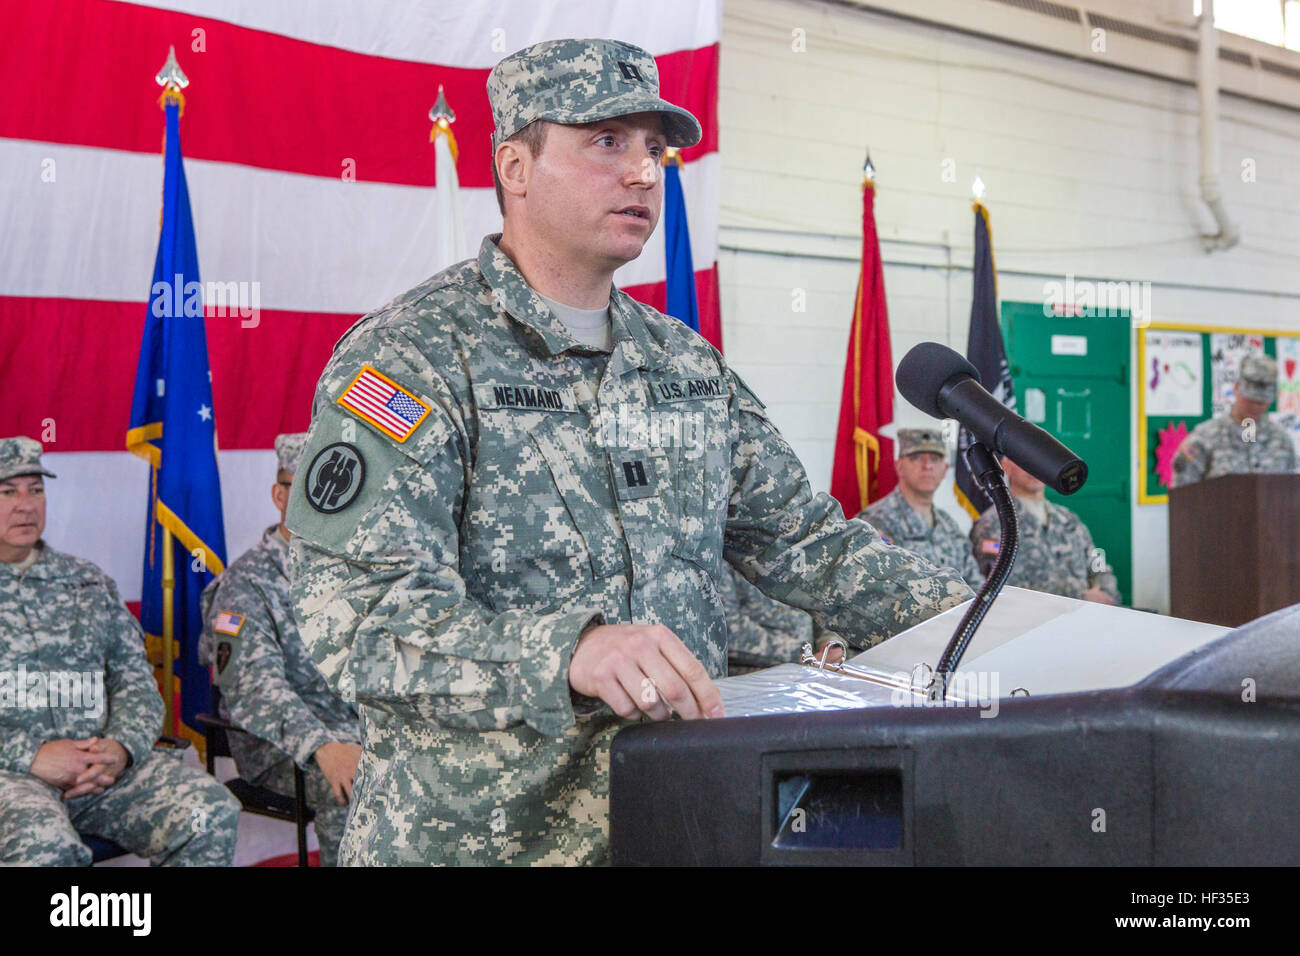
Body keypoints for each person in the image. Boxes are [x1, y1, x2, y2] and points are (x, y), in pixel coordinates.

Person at [286, 38, 972, 866]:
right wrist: (569, 652)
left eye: (653, 147)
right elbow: (353, 618)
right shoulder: (411, 358)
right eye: (607, 142)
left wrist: (997, 623)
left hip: (674, 825)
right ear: (516, 166)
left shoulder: (683, 366)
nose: (645, 173)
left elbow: (809, 544)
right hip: (476, 845)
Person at [0, 436, 239, 866]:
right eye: (7, 491)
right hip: (11, 776)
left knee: (210, 810)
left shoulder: (88, 582)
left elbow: (134, 680)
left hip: (103, 770)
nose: (25, 505)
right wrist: (31, 755)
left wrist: (120, 748)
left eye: (35, 489)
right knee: (44, 848)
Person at [199, 433, 360, 866]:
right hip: (280, 744)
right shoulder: (245, 584)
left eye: (335, 486)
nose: (325, 498)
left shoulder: (353, 571)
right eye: (309, 485)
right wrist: (323, 747)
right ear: (279, 494)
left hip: (360, 729)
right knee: (363, 784)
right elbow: (253, 690)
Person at [970, 455, 1120, 604]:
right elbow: (1003, 590)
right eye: (1025, 461)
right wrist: (1080, 597)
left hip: (1084, 617)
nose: (1034, 469)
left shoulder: (1069, 519)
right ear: (1006, 467)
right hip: (1033, 623)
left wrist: (1105, 591)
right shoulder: (994, 524)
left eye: (1041, 462)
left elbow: (1098, 562)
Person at [859, 428, 984, 588]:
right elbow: (873, 590)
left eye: (935, 459)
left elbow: (975, 584)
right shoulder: (875, 520)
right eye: (916, 458)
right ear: (899, 466)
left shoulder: (949, 526)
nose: (927, 466)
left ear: (945, 469)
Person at [1170, 353, 1296, 487]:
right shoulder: (1204, 438)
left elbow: (1289, 495)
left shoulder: (1282, 442)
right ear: (1236, 388)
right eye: (1250, 399)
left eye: (1261, 402)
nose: (1254, 407)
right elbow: (1182, 496)